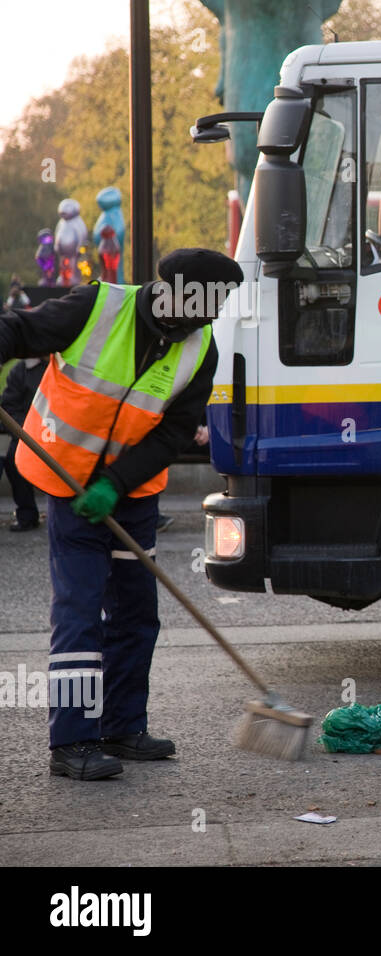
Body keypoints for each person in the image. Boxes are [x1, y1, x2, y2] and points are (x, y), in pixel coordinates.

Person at [0, 248, 242, 780]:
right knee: (80, 612)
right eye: (202, 306)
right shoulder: (97, 307)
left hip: (130, 495)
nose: (207, 319)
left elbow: (176, 431)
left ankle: (123, 726)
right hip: (66, 481)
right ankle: (73, 740)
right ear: (172, 293)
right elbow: (19, 333)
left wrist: (115, 484)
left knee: (136, 612)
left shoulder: (201, 349)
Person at [1, 348, 46, 532]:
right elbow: (10, 406)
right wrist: (27, 431)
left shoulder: (64, 368)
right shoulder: (21, 370)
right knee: (13, 460)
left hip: (60, 432)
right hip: (27, 433)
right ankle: (27, 515)